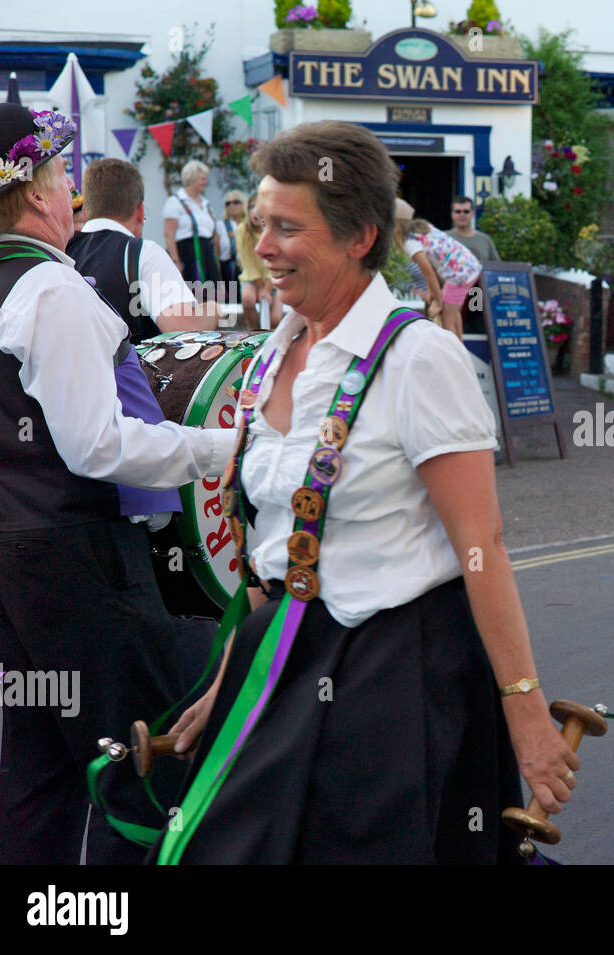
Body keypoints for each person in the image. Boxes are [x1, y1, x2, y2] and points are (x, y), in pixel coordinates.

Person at [152, 120, 575, 864]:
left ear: (359, 237)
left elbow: (483, 546)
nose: (266, 245)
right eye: (260, 225)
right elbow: (272, 546)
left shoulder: (420, 359)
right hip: (283, 650)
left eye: (288, 227)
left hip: (396, 666)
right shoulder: (269, 356)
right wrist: (233, 676)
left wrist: (526, 709)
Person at [0, 103, 237, 864]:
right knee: (140, 757)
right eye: (62, 177)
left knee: (44, 758)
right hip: (75, 553)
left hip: (3, 549)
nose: (73, 196)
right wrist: (223, 448)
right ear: (33, 195)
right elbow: (97, 445)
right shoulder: (49, 293)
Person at [67, 157, 220, 343]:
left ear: (85, 211)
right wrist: (213, 309)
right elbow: (183, 330)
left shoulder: (60, 251)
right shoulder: (143, 253)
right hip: (127, 371)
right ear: (139, 212)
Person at [404, 209, 481, 341]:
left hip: (458, 274)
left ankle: (454, 354)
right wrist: (431, 291)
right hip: (470, 266)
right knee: (454, 311)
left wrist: (438, 302)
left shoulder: (411, 243)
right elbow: (432, 262)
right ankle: (460, 350)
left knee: (447, 318)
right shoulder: (424, 228)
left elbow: (430, 274)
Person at [162, 159, 226, 301]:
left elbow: (213, 233)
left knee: (211, 298)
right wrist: (176, 262)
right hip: (188, 253)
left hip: (206, 254)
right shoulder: (175, 201)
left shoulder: (205, 203)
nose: (206, 182)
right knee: (192, 297)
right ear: (191, 178)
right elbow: (169, 235)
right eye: (202, 179)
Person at [236, 191, 283, 329]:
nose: (255, 211)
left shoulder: (273, 229)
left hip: (274, 277)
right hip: (252, 277)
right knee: (248, 300)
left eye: (258, 206)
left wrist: (267, 289)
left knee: (275, 319)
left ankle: (269, 338)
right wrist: (260, 288)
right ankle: (256, 333)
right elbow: (247, 263)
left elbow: (276, 261)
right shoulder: (242, 230)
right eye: (251, 207)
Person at [448, 194, 501, 263]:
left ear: (473, 214)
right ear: (452, 214)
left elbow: (498, 267)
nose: (462, 215)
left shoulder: (485, 240)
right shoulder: (443, 239)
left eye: (466, 211)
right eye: (458, 211)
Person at [220, 188, 247, 295]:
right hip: (229, 271)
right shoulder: (221, 226)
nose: (232, 206)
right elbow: (217, 255)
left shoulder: (251, 224)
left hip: (249, 269)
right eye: (228, 203)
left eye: (236, 202)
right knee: (232, 306)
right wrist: (220, 280)